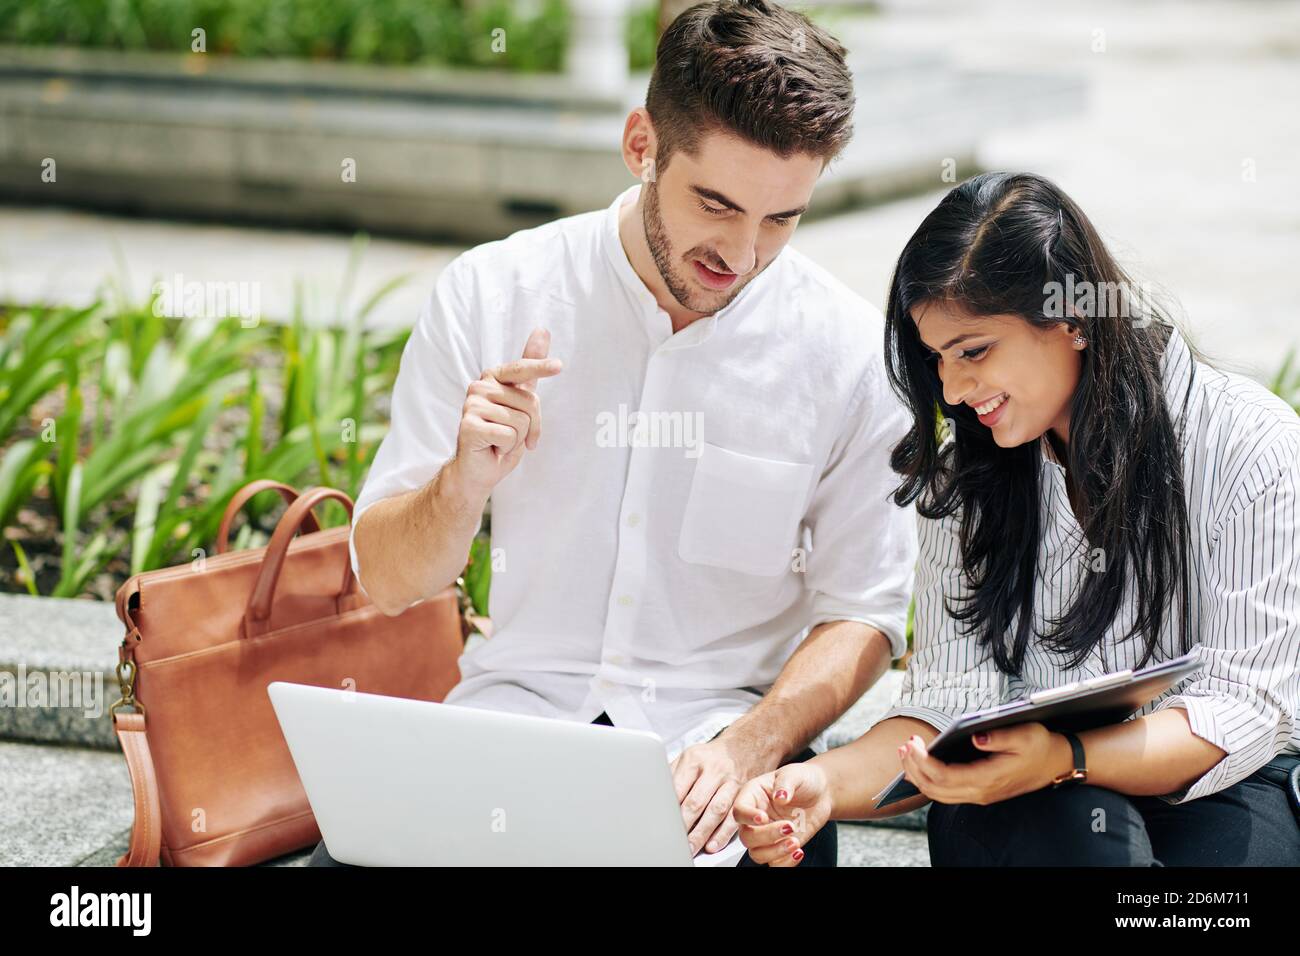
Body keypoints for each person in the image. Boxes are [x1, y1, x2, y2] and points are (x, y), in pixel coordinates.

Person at [309, 0, 918, 867]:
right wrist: (460, 484)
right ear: (642, 145)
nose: (742, 254)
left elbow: (862, 611)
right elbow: (388, 580)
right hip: (507, 729)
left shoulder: (852, 356)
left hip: (716, 753)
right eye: (716, 203)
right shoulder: (491, 293)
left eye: (781, 218)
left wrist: (754, 743)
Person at [733, 171, 1300, 866]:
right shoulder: (966, 476)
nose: (952, 388)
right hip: (1028, 805)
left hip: (1214, 782)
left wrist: (1067, 754)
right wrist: (819, 782)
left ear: (1076, 320)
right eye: (937, 358)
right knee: (1072, 839)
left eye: (974, 351)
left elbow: (1241, 708)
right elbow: (942, 706)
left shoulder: (1250, 443)